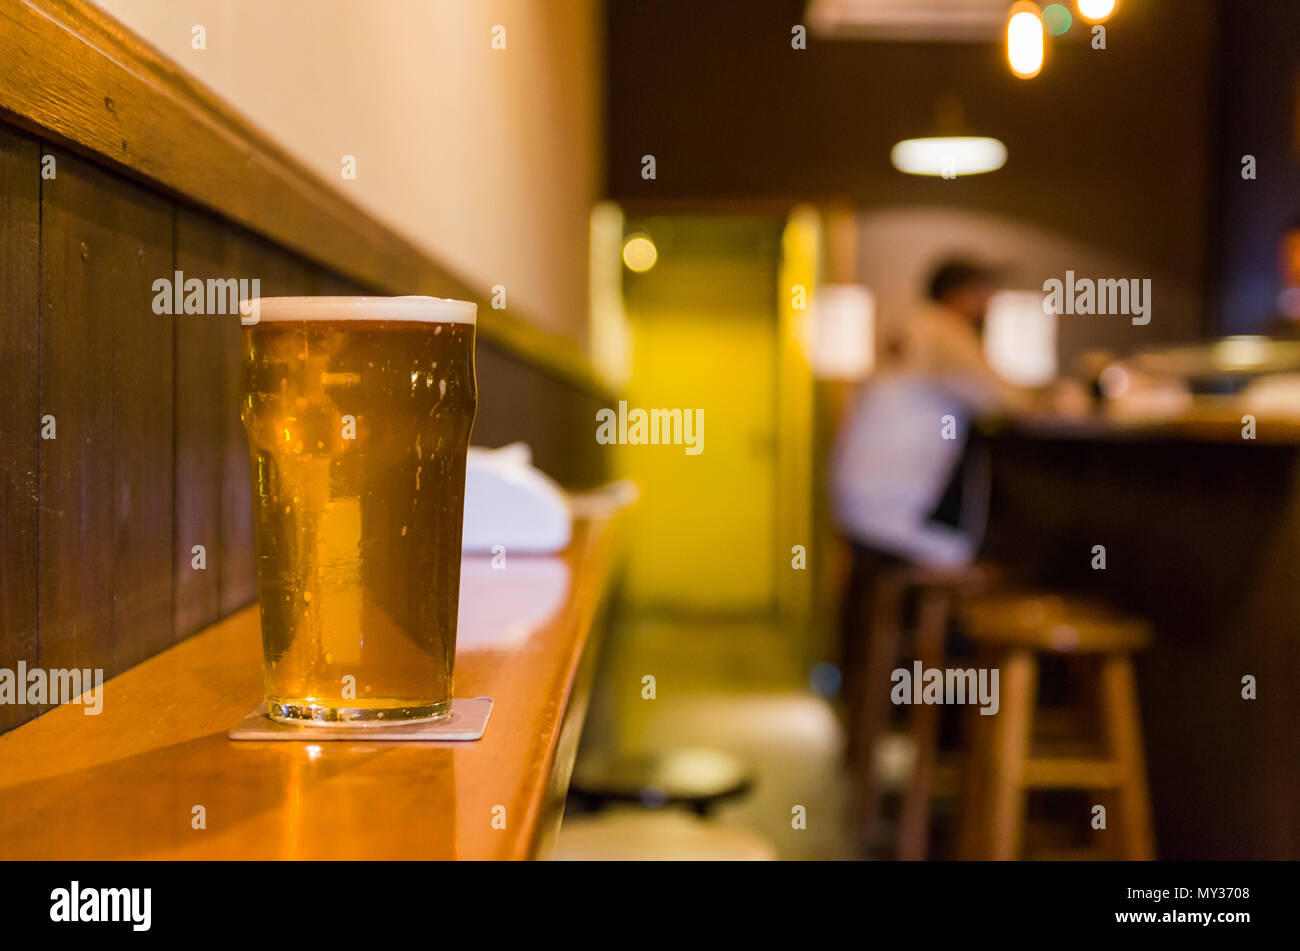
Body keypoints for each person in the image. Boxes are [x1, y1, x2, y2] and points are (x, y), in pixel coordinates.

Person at [831, 258, 1047, 800]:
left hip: (865, 519)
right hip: (898, 522)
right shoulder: (940, 331)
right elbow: (1010, 400)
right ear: (967, 297)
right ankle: (964, 764)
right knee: (996, 565)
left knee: (978, 551)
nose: (990, 310)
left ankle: (929, 755)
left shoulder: (908, 327)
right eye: (986, 298)